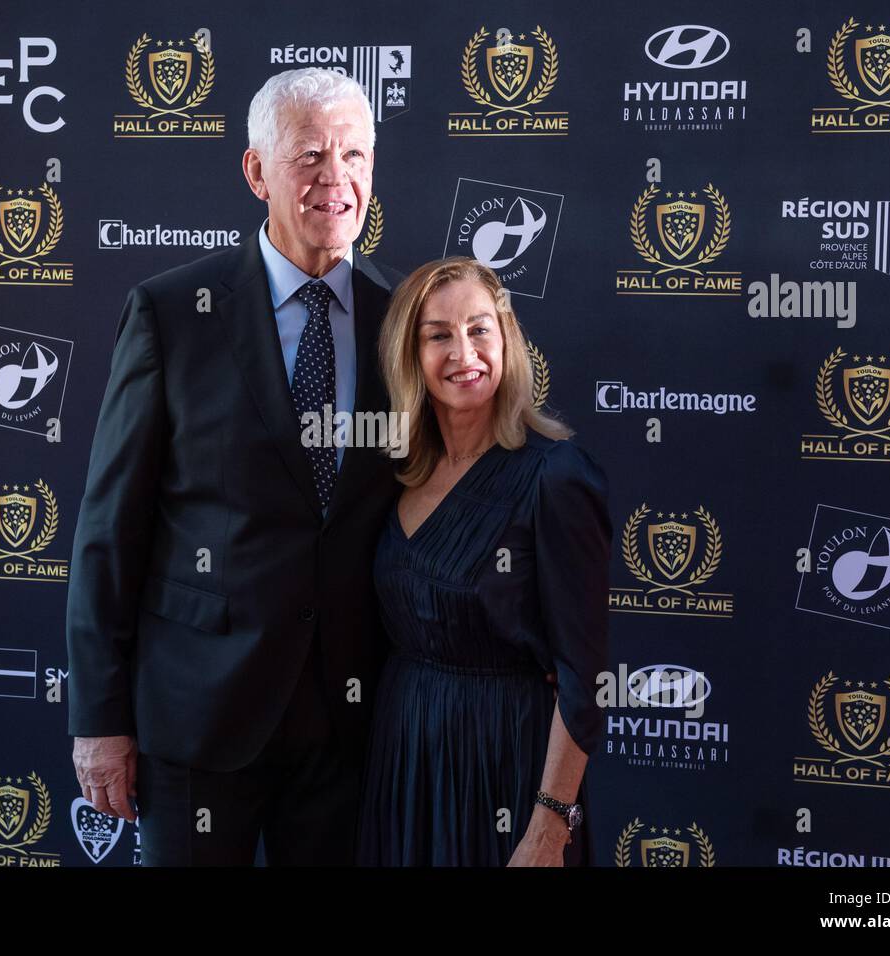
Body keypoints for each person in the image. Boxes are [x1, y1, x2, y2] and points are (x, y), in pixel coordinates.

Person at [65, 67, 404, 865]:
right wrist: (99, 718)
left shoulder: (407, 316)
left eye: (355, 156)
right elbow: (109, 531)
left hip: (352, 729)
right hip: (198, 719)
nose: (337, 179)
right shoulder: (174, 313)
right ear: (256, 172)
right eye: (311, 156)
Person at [355, 257, 612, 866]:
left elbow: (584, 680)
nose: (463, 352)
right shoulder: (396, 473)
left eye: (479, 328)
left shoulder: (555, 476)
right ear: (409, 355)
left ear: (507, 340)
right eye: (438, 335)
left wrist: (550, 825)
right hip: (405, 761)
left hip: (507, 768)